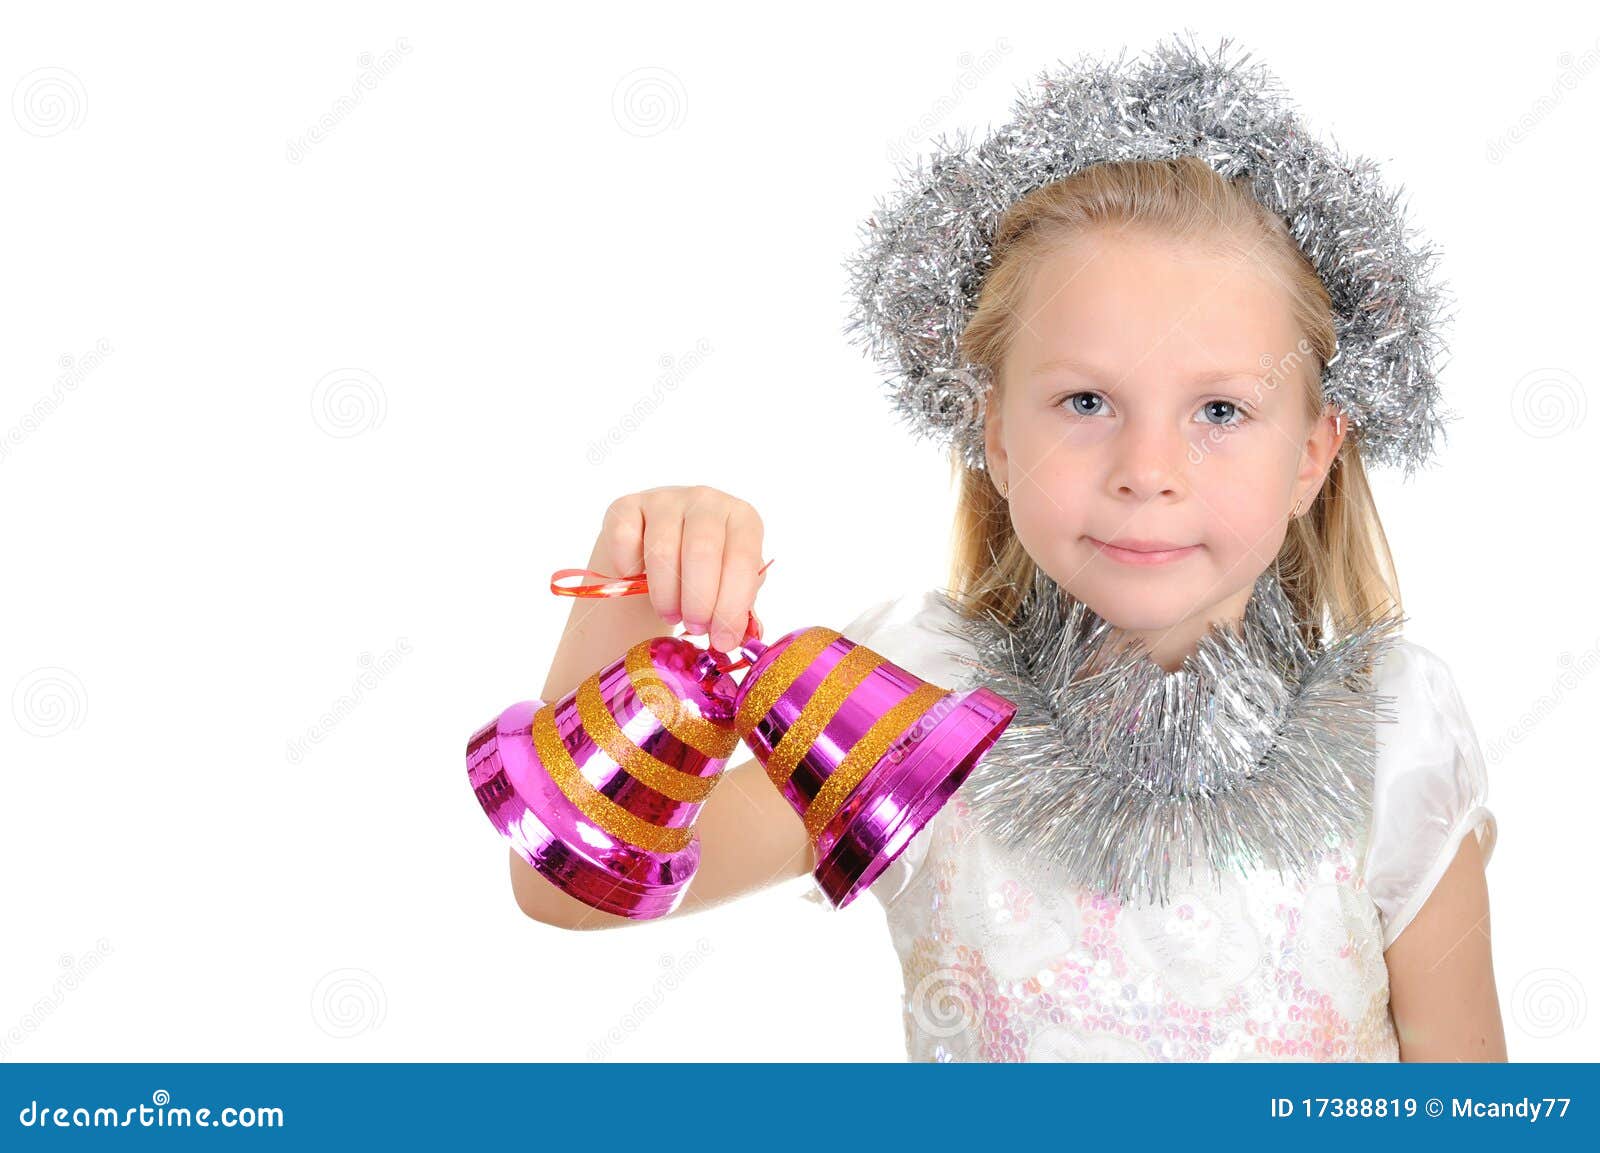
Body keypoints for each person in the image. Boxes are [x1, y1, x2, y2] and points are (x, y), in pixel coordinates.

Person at [508, 36, 1503, 1062]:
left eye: (1218, 408)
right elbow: (571, 885)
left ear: (1311, 453)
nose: (1145, 467)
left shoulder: (1392, 736)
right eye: (1084, 401)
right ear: (990, 429)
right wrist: (632, 575)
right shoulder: (908, 702)